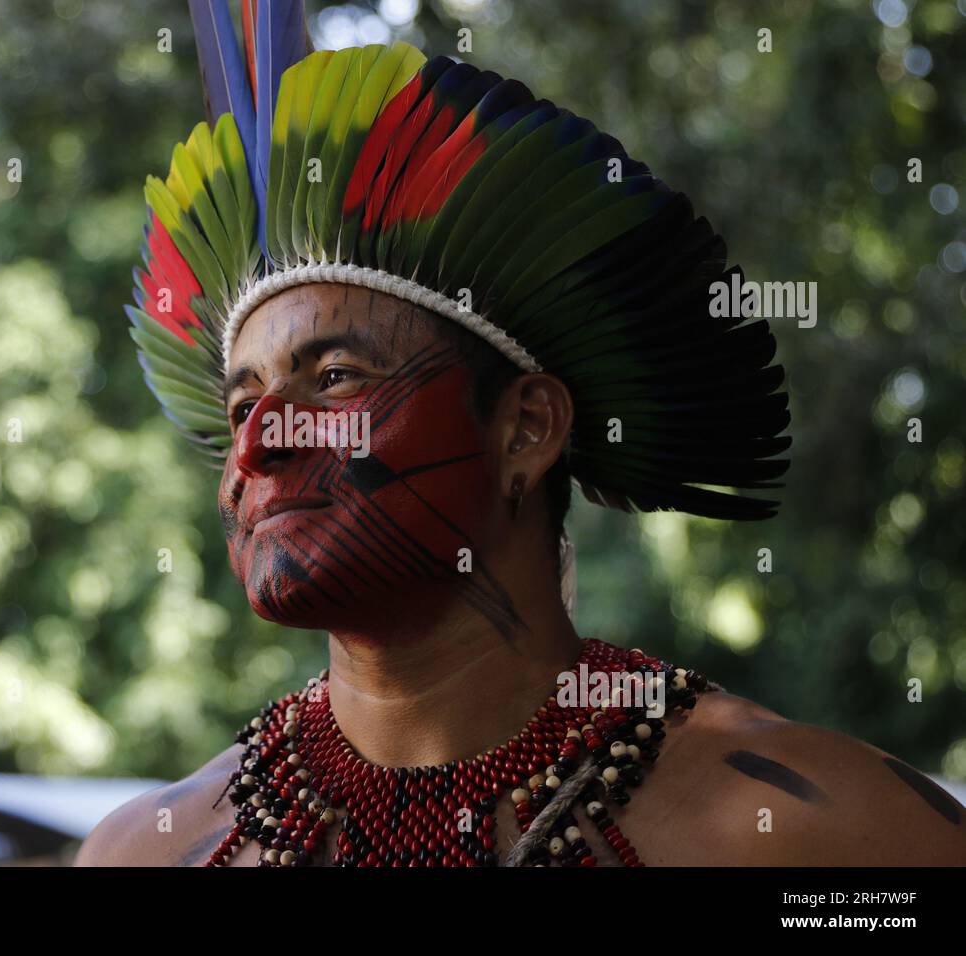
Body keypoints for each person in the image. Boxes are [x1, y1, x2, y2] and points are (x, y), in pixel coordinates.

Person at [78, 4, 965, 867]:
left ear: (527, 429)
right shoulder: (144, 850)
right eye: (241, 406)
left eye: (337, 377)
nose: (256, 447)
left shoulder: (823, 832)